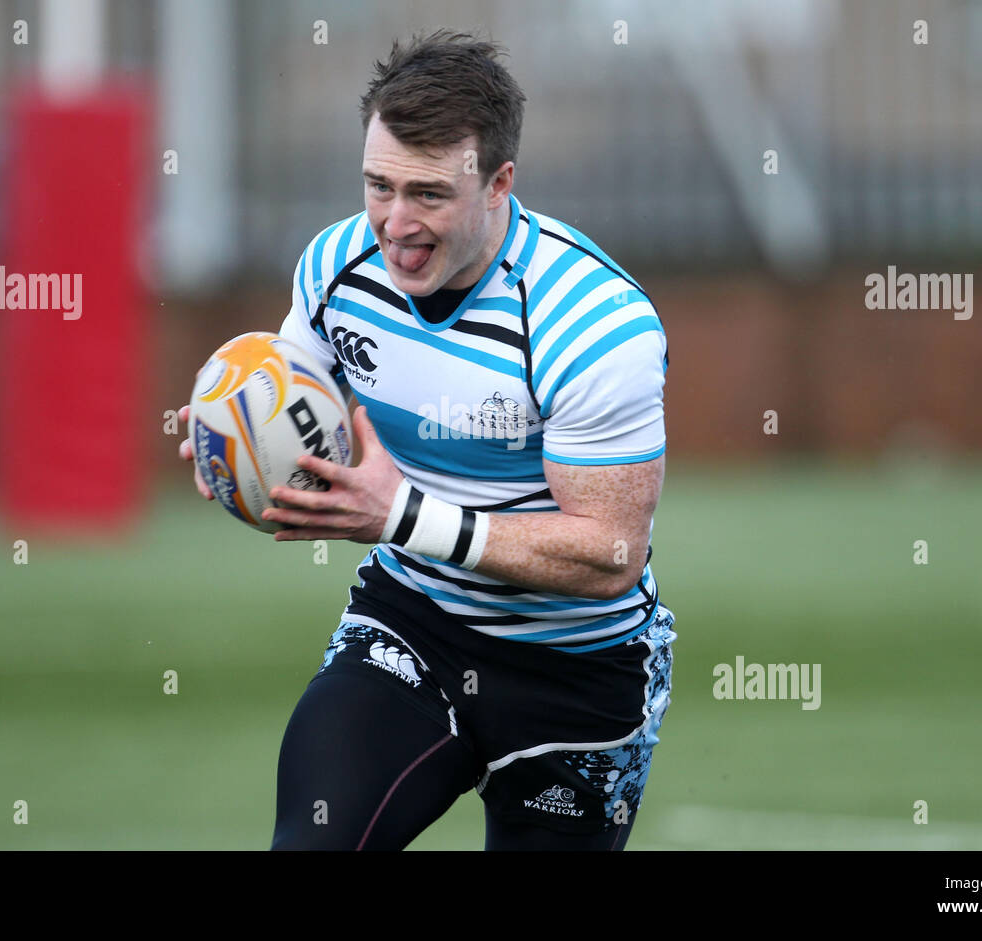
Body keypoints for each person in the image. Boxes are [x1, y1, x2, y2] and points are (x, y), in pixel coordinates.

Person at [179, 30, 674, 851]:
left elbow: (611, 552)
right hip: (411, 628)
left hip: (578, 673)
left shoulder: (591, 321)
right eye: (378, 185)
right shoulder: (337, 267)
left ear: (498, 182)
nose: (394, 224)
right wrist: (239, 454)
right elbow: (294, 410)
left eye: (428, 194)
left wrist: (403, 516)